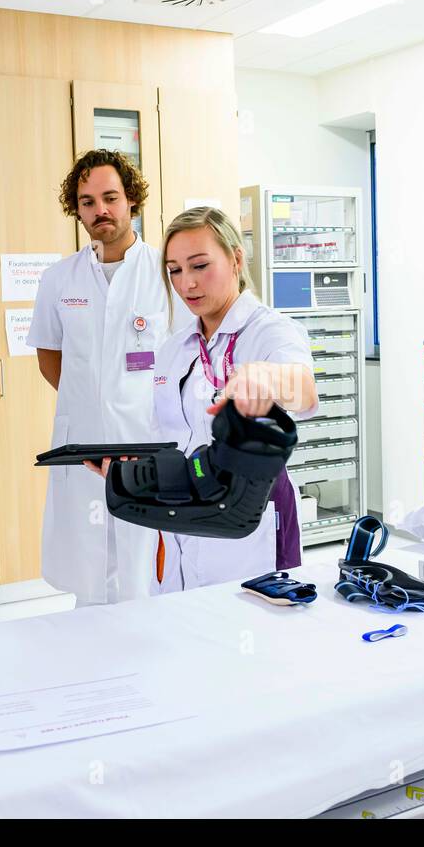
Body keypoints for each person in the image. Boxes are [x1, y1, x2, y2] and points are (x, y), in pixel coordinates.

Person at [28, 150, 188, 605]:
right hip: (83, 445)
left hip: (146, 441)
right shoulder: (59, 279)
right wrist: (93, 400)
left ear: (131, 199)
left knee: (144, 563)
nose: (100, 210)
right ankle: (91, 654)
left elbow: (181, 357)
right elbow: (49, 357)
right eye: (87, 201)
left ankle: (142, 653)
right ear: (75, 209)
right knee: (89, 559)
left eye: (110, 197)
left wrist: (126, 403)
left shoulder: (164, 273)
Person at [147, 207, 319, 592]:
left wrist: (265, 377)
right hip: (183, 514)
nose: (187, 283)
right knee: (184, 633)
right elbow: (168, 434)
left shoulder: (270, 331)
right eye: (174, 270)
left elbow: (303, 389)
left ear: (236, 258)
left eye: (199, 265)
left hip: (250, 518)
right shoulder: (174, 349)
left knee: (252, 634)